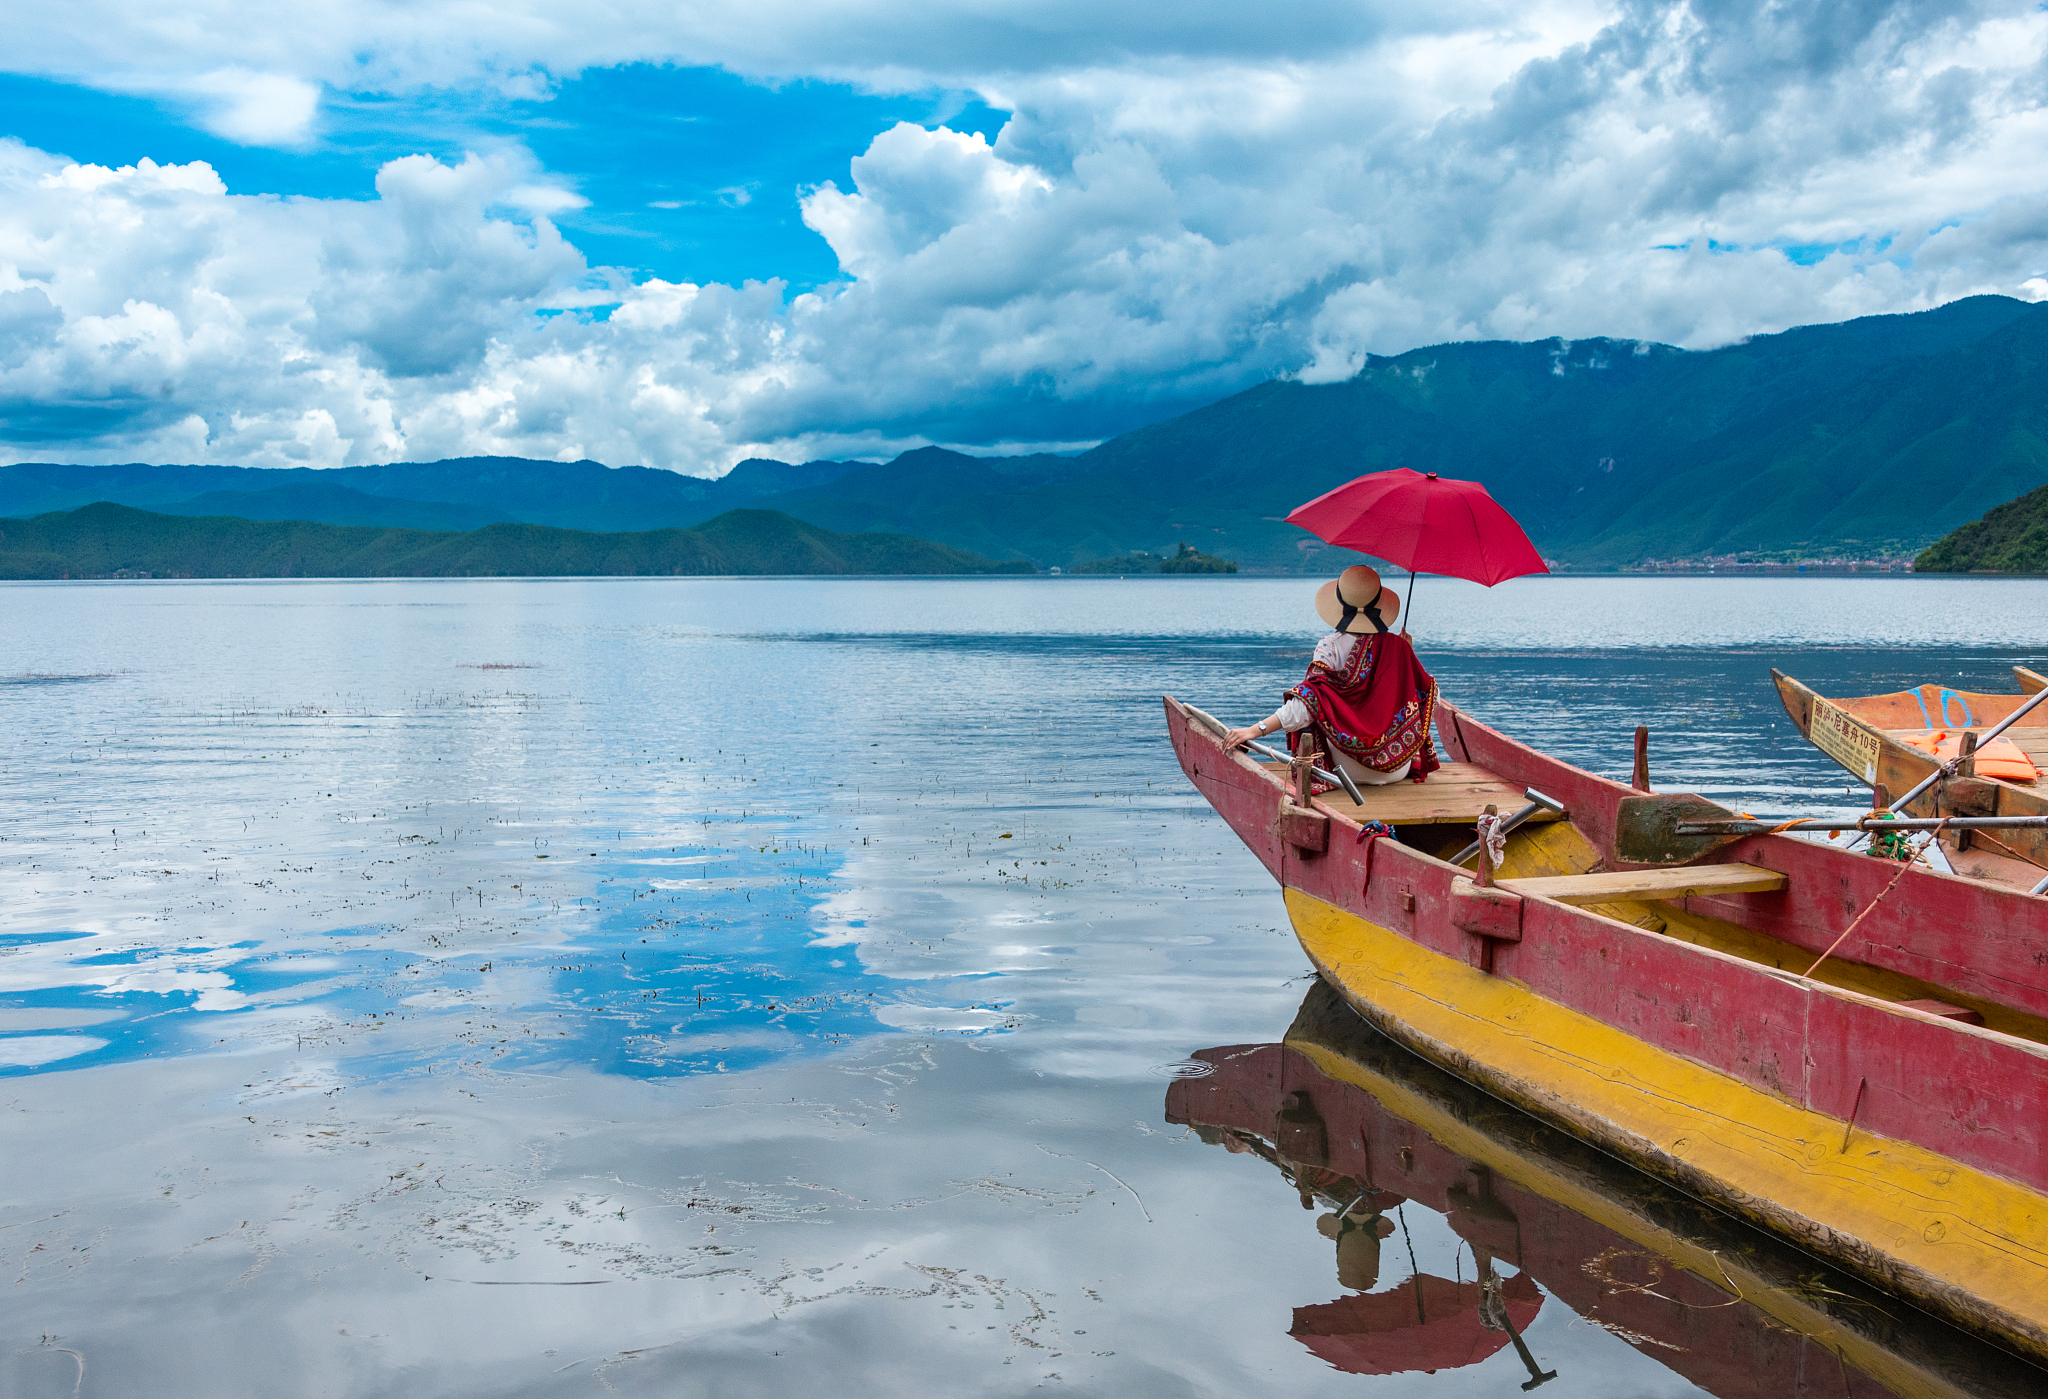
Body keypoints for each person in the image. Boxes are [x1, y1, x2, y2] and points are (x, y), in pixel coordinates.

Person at [1225, 564, 1441, 787]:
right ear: (1378, 603)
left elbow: (1307, 704)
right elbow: (1430, 699)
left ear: (1340, 603)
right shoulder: (1398, 647)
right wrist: (1406, 658)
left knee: (1313, 694)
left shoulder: (1330, 646)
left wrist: (1253, 730)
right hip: (1396, 768)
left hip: (1346, 771)